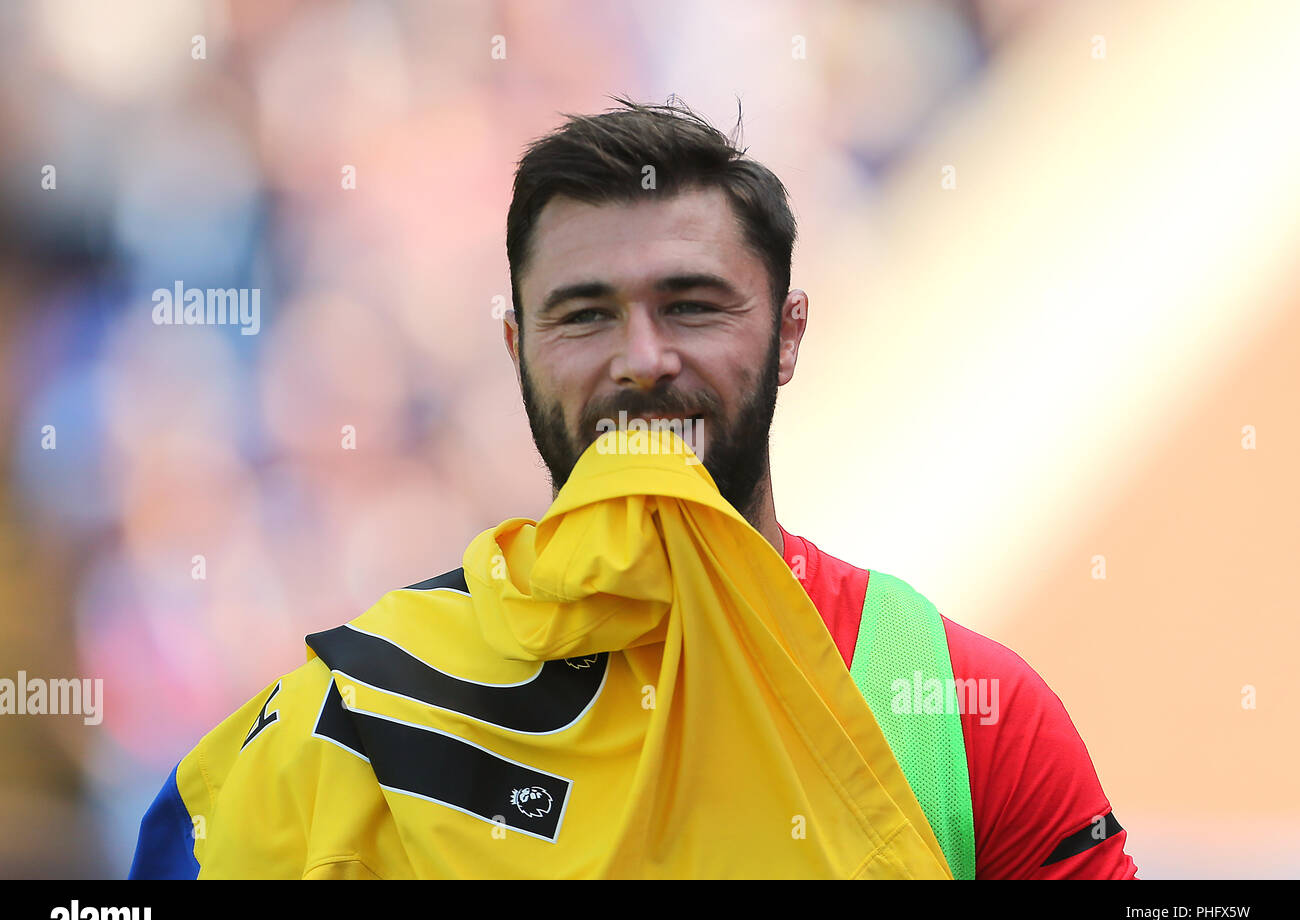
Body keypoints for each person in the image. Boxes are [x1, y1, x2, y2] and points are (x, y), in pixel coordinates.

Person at [129, 96, 1137, 879]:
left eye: (691, 305)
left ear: (786, 335)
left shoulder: (965, 711)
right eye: (584, 315)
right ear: (519, 350)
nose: (642, 358)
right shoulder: (359, 714)